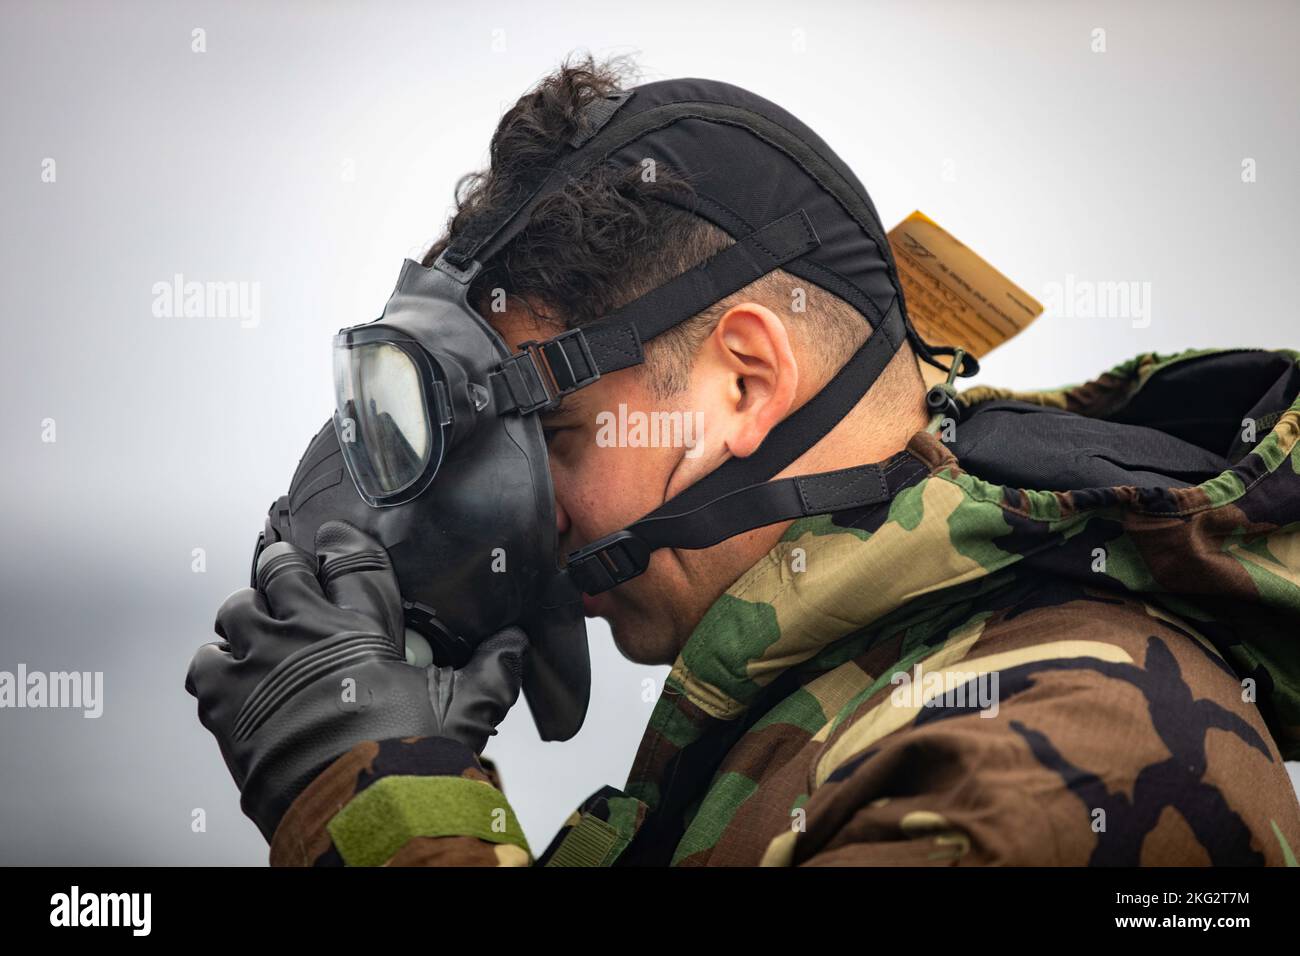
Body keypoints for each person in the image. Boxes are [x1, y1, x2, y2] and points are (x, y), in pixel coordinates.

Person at [190, 57, 1300, 867]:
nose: (536, 514)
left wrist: (374, 794)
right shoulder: (818, 706)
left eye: (554, 437)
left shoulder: (1057, 756)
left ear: (742, 382)